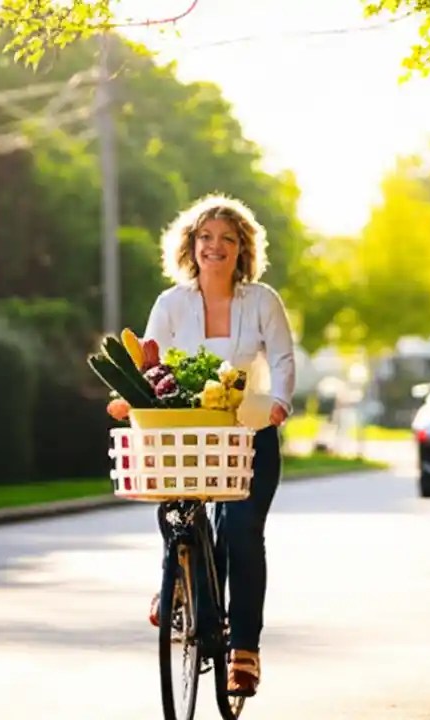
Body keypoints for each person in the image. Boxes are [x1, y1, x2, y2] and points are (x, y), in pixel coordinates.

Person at [141, 193, 296, 698]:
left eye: (227, 239)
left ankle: (244, 651)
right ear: (191, 245)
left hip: (249, 432)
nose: (215, 246)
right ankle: (179, 585)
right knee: (179, 512)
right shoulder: (171, 304)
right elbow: (150, 365)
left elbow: (284, 359)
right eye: (206, 237)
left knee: (242, 530)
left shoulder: (262, 301)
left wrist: (279, 402)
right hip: (188, 432)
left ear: (242, 249)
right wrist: (134, 401)